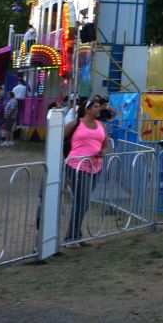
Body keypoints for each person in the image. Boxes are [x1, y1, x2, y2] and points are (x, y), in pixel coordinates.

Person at [64, 97, 111, 246]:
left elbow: (105, 144)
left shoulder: (100, 125)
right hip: (77, 166)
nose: (99, 109)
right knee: (82, 201)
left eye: (99, 107)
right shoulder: (76, 124)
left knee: (83, 202)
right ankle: (71, 237)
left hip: (96, 167)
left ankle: (75, 235)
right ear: (87, 109)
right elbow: (58, 139)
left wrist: (103, 152)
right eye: (96, 107)